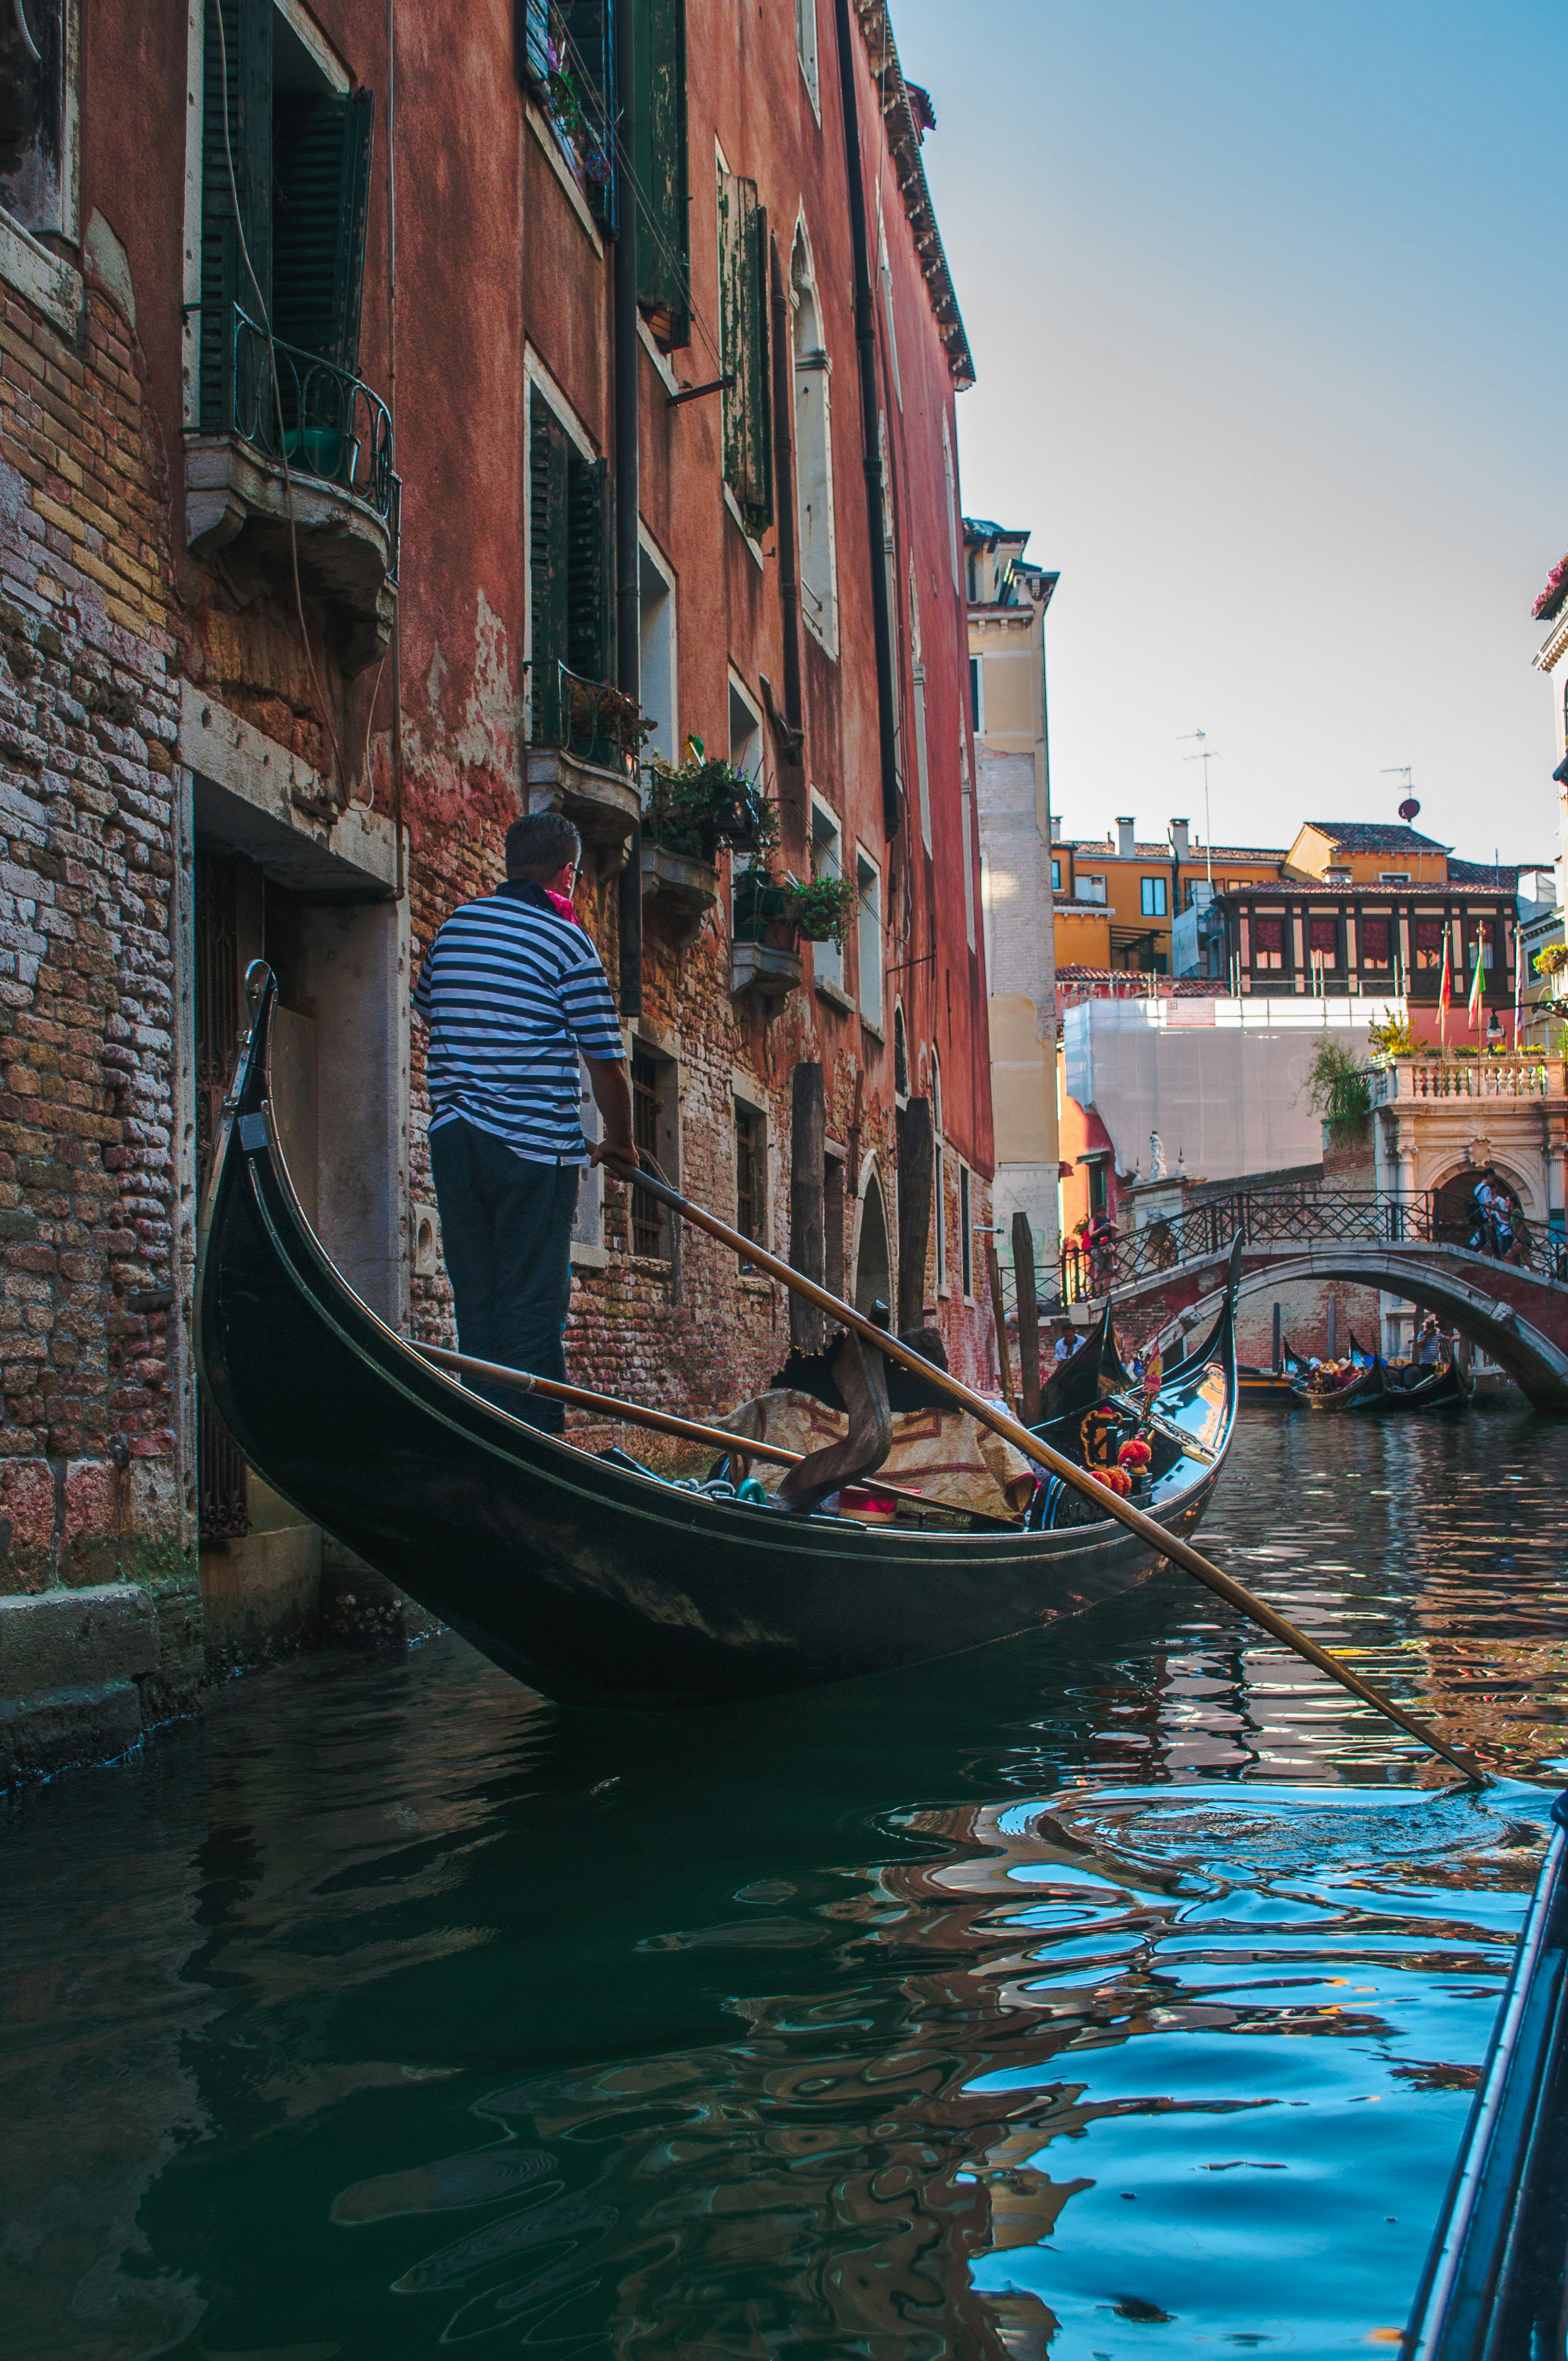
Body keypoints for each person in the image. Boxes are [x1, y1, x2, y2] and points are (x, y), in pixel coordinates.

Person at [412, 811, 639, 1431]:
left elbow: (432, 1009)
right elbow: (607, 1065)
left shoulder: (455, 928)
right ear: (567, 875)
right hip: (533, 1153)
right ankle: (539, 1458)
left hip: (456, 1142)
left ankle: (483, 1449)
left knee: (479, 1312)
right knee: (532, 1315)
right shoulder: (568, 943)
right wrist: (621, 1144)